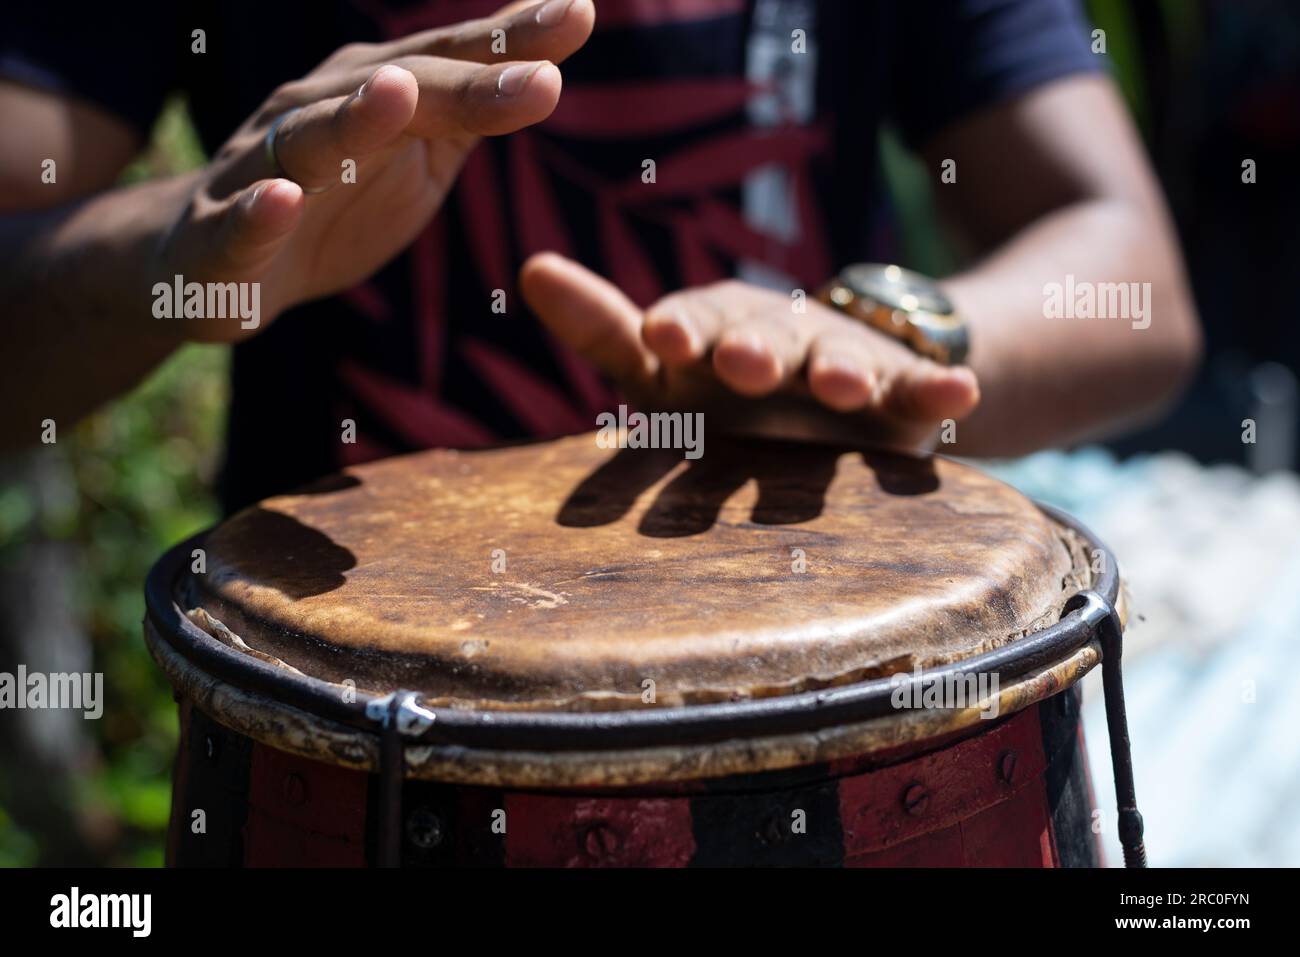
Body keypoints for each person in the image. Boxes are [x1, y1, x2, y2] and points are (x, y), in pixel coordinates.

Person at [0, 0, 1201, 513]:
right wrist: (175, 257)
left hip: (825, 717)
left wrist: (872, 352)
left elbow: (1136, 287)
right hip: (344, 755)